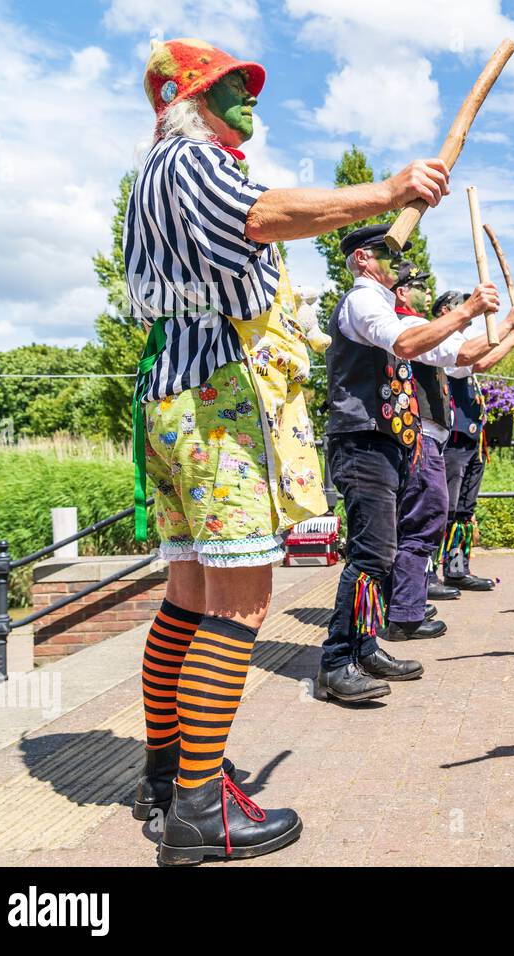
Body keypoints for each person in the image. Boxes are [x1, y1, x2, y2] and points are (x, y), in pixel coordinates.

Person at [125, 36, 453, 863]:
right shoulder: (193, 159)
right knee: (240, 599)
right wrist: (384, 187)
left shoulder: (153, 176)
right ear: (189, 97)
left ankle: (169, 777)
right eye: (231, 85)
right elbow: (264, 215)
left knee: (190, 596)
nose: (249, 98)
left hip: (170, 390)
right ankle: (200, 810)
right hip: (214, 399)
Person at [319, 227, 514, 696]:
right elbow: (407, 346)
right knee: (371, 553)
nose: (402, 263)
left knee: (381, 552)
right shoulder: (362, 302)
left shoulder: (392, 310)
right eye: (393, 254)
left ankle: (365, 648)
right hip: (362, 439)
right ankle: (336, 660)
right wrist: (468, 310)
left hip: (387, 442)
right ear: (365, 258)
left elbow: (460, 355)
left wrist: (507, 325)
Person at [431, 290, 514, 592]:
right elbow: (479, 363)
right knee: (443, 507)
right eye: (461, 305)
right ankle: (428, 573)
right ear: (446, 309)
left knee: (463, 508)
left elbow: (481, 359)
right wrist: (511, 332)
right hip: (453, 440)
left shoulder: (460, 342)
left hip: (470, 439)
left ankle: (457, 567)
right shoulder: (443, 341)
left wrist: (512, 335)